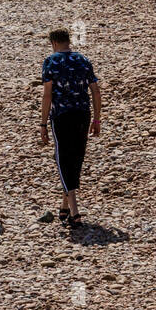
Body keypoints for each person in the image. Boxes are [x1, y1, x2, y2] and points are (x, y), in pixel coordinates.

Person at [39, 28, 102, 224]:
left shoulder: (51, 61)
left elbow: (47, 94)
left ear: (53, 43)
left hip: (62, 115)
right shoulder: (83, 60)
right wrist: (97, 119)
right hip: (83, 113)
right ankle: (64, 206)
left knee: (64, 158)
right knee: (76, 157)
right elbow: (95, 91)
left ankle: (74, 212)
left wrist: (42, 123)